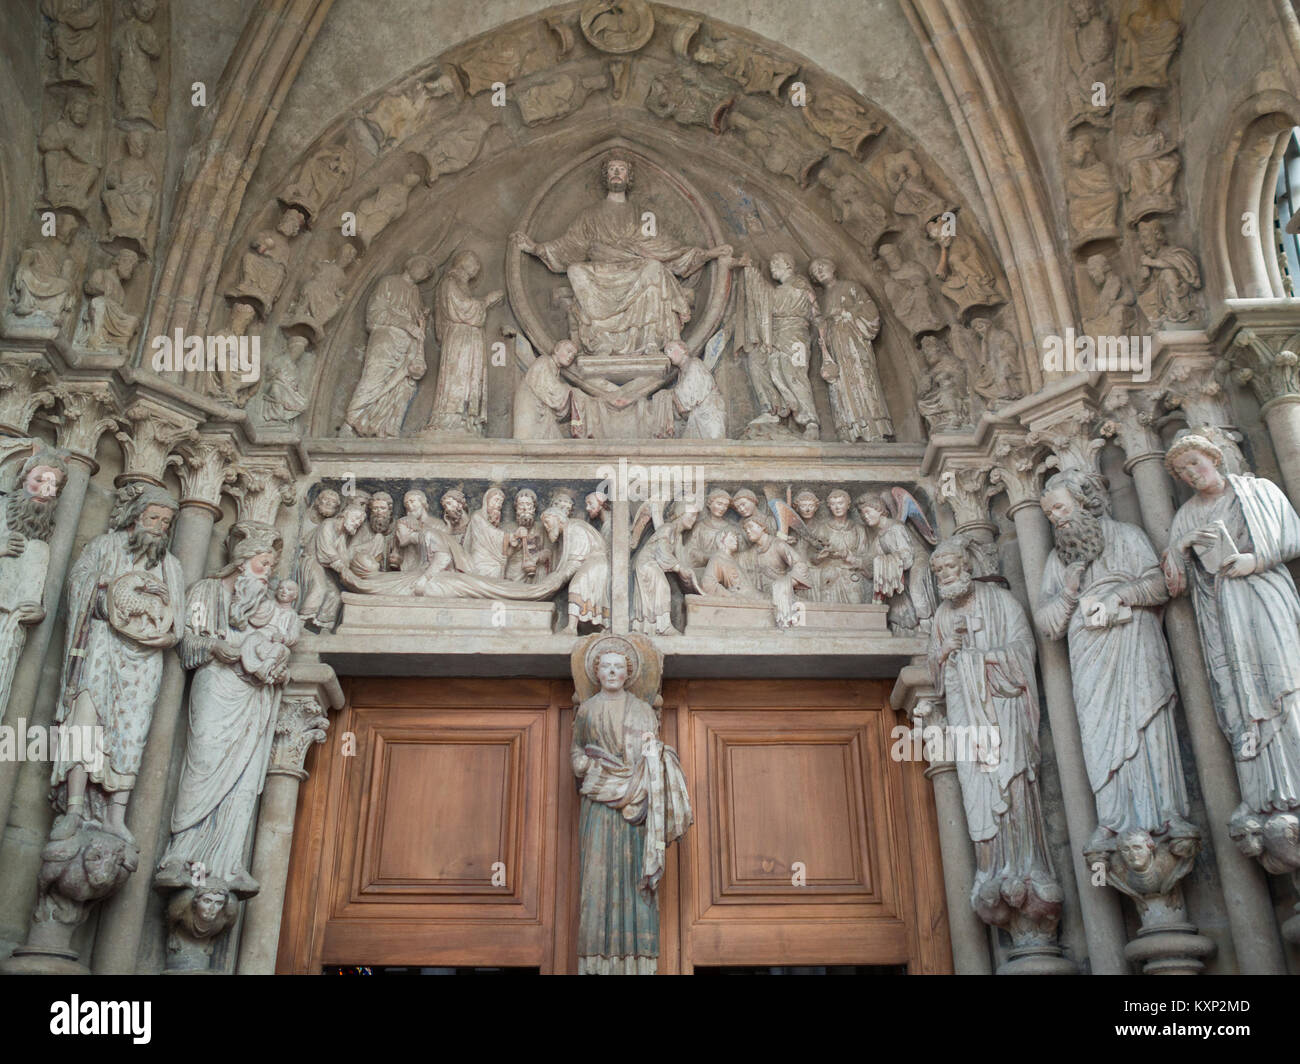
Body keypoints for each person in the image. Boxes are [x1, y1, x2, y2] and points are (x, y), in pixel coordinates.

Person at [570, 636, 691, 974]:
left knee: (633, 874)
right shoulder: (587, 710)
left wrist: (654, 754)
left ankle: (637, 958)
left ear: (628, 674)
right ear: (596, 671)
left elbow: (652, 757)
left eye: (618, 667)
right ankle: (597, 959)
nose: (611, 671)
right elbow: (577, 751)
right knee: (596, 876)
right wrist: (582, 764)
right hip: (597, 805)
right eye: (605, 666)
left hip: (634, 808)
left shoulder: (641, 710)